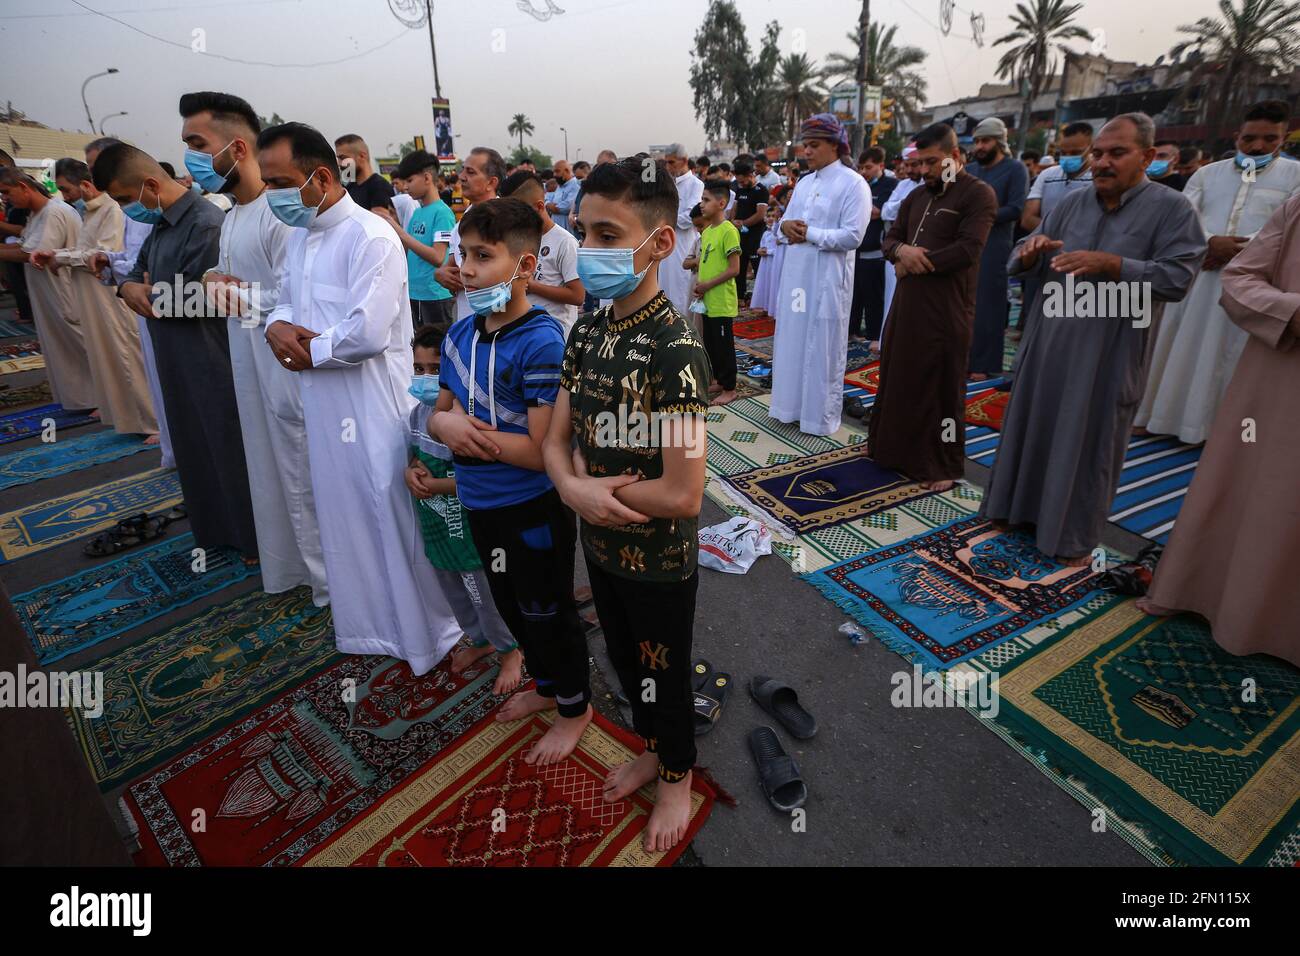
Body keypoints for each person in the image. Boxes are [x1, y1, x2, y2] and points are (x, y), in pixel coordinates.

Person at [543, 155, 710, 853]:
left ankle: (677, 777)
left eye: (608, 235)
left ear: (660, 243)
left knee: (662, 674)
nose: (591, 251)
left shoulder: (676, 350)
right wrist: (570, 484)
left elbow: (683, 491)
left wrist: (584, 490)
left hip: (657, 557)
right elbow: (555, 438)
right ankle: (651, 747)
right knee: (622, 660)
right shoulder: (588, 328)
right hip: (600, 542)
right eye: (583, 232)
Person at [259, 121, 460, 674]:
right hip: (321, 407)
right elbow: (282, 301)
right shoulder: (299, 237)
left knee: (388, 516)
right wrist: (279, 328)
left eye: (279, 181)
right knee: (343, 515)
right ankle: (368, 626)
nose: (272, 193)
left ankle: (425, 634)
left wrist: (311, 350)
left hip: (371, 410)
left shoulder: (372, 236)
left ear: (320, 176)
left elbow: (367, 333)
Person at [978, 113, 1206, 563]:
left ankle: (1068, 538)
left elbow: (1178, 279)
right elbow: (1019, 257)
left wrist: (1114, 265)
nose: (1102, 162)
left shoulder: (1173, 208)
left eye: (1116, 153)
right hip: (1050, 337)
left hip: (1111, 346)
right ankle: (1013, 510)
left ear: (1146, 155)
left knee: (1089, 438)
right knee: (1034, 423)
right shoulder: (1071, 203)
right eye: (1097, 154)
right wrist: (1031, 252)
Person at [428, 197, 590, 764]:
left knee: (548, 610)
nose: (466, 268)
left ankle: (576, 707)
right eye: (461, 254)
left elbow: (547, 451)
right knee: (512, 605)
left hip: (531, 508)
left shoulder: (542, 341)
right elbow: (439, 411)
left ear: (525, 267)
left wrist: (471, 438)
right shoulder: (459, 335)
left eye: (482, 256)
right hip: (480, 502)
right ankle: (547, 689)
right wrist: (441, 421)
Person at [1137, 192, 1300, 667]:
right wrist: (1290, 311)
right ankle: (1228, 607)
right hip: (1279, 372)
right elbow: (1240, 277)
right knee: (1261, 490)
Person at [179, 91, 329, 603]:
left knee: (301, 474)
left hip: (287, 370)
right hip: (248, 365)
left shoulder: (278, 212)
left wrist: (239, 293)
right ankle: (290, 568)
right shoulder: (235, 213)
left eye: (198, 145)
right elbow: (242, 285)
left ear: (237, 148)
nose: (191, 159)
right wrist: (221, 280)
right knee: (269, 470)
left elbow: (303, 299)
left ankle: (329, 582)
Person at [94, 142, 259, 558]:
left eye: (126, 199)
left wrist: (147, 295)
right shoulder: (163, 224)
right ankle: (216, 530)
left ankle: (250, 539)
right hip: (174, 354)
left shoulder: (204, 221)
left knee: (225, 447)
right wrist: (132, 287)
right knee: (192, 444)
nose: (127, 209)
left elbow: (200, 298)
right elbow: (135, 276)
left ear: (150, 185)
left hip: (208, 354)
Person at [1136, 101, 1300, 444]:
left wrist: (1234, 252)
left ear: (1283, 139)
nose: (1257, 147)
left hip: (1252, 285)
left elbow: (1286, 230)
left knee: (1232, 357)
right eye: (1250, 138)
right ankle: (1161, 417)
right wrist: (1209, 244)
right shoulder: (1207, 174)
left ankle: (1222, 433)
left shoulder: (1295, 177)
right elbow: (1185, 218)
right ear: (1237, 136)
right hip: (1198, 276)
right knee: (1179, 347)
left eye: (1270, 139)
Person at [868, 123, 996, 490]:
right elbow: (891, 236)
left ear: (955, 156)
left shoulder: (978, 194)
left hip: (947, 308)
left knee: (942, 390)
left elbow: (969, 248)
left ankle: (943, 466)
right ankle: (889, 450)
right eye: (918, 163)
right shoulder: (917, 196)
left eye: (931, 162)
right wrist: (900, 251)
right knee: (898, 378)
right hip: (907, 304)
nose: (923, 171)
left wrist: (917, 261)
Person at [404, 324, 523, 694]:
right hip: (437, 530)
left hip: (468, 533)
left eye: (435, 368)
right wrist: (410, 474)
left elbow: (473, 476)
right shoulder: (415, 416)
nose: (425, 377)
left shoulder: (464, 421)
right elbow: (411, 456)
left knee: (484, 594)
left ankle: (510, 650)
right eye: (418, 368)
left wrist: (435, 485)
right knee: (453, 591)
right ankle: (479, 639)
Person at [32, 159, 158, 439]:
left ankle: (152, 421)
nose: (64, 197)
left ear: (86, 185)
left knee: (127, 356)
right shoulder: (90, 212)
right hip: (93, 294)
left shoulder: (113, 210)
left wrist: (61, 256)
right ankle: (128, 416)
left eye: (66, 189)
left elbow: (107, 254)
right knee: (109, 357)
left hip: (109, 293)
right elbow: (87, 250)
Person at [770, 113, 870, 435]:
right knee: (792, 340)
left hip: (827, 280)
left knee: (822, 345)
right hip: (796, 278)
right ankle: (789, 408)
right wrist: (784, 227)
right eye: (805, 145)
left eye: (813, 145)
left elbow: (853, 236)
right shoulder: (803, 183)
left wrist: (810, 233)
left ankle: (818, 418)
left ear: (835, 145)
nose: (807, 152)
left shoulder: (853, 183)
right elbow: (783, 227)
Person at [84, 136, 175, 468]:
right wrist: (113, 264)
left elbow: (204, 292)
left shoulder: (194, 218)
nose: (94, 176)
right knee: (158, 378)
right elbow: (138, 261)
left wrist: (134, 281)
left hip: (172, 310)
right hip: (151, 305)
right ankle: (173, 448)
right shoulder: (133, 210)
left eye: (97, 167)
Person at [0, 169, 98, 411]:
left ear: (24, 187)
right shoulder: (37, 214)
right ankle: (85, 399)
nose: (5, 199)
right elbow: (25, 246)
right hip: (48, 293)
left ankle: (106, 397)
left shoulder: (54, 211)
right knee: (63, 348)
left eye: (6, 192)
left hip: (63, 290)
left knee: (82, 346)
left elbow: (32, 254)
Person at [1018, 122, 1094, 344]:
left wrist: (1051, 233)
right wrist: (1053, 237)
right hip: (1042, 259)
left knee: (1068, 328)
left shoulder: (1096, 178)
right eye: (1064, 152)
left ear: (1091, 148)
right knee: (1034, 320)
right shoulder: (1049, 175)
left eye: (1076, 153)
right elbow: (1028, 217)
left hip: (1079, 264)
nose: (1068, 157)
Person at [966, 117, 1029, 379]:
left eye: (986, 140)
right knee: (965, 302)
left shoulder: (1015, 169)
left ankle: (985, 364)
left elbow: (1016, 208)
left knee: (989, 306)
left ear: (1000, 142)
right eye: (978, 141)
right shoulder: (971, 169)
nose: (980, 146)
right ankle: (965, 358)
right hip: (969, 242)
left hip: (995, 245)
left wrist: (982, 216)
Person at [376, 149, 457, 332]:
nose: (405, 187)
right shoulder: (418, 212)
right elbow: (408, 250)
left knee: (437, 351)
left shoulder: (442, 213)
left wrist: (402, 233)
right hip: (414, 293)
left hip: (435, 295)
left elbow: (438, 257)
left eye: (410, 181)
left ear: (427, 178)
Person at [499, 169, 583, 335]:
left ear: (539, 206)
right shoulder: (514, 239)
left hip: (554, 335)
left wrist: (533, 286)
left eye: (517, 212)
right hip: (521, 333)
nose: (512, 218)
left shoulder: (564, 242)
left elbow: (577, 295)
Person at [434, 146, 505, 321]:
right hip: (467, 318)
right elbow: (451, 264)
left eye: (471, 172)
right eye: (463, 170)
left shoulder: (505, 221)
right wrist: (441, 273)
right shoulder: (463, 221)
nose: (462, 177)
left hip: (496, 318)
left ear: (491, 182)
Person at [694, 179, 741, 405]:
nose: (701, 204)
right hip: (708, 299)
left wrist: (708, 285)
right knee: (712, 343)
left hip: (721, 299)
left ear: (721, 203)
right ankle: (720, 380)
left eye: (706, 200)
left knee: (724, 346)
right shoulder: (708, 231)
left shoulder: (728, 231)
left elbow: (734, 269)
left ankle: (730, 388)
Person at [848, 147, 897, 347]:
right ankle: (851, 331)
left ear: (881, 166)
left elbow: (879, 212)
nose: (864, 172)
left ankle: (874, 335)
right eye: (861, 167)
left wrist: (864, 210)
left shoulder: (891, 185)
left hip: (875, 252)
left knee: (873, 297)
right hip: (855, 251)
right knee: (853, 295)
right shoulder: (860, 185)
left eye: (868, 167)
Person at [657, 144, 705, 316]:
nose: (668, 167)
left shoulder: (696, 185)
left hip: (684, 245)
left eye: (671, 162)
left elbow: (688, 219)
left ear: (684, 161)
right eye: (666, 163)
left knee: (681, 288)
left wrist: (664, 218)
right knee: (663, 287)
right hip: (664, 245)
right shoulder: (666, 185)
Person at [728, 159, 768, 304]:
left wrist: (743, 223)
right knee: (740, 265)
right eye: (739, 182)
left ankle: (762, 298)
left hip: (755, 234)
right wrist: (733, 221)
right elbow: (735, 207)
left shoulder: (761, 190)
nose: (742, 184)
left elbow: (761, 214)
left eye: (744, 181)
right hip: (739, 234)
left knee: (757, 267)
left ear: (751, 175)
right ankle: (740, 296)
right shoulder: (740, 189)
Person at [334, 134, 395, 213]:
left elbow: (379, 222)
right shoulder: (350, 188)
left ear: (362, 156)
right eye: (338, 159)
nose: (339, 163)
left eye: (343, 158)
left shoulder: (379, 187)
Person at [749, 204, 780, 317]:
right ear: (765, 218)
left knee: (772, 283)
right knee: (765, 283)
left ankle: (773, 308)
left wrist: (769, 252)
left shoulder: (778, 235)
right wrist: (759, 250)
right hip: (765, 264)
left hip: (773, 262)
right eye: (769, 216)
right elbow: (762, 246)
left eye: (773, 216)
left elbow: (779, 250)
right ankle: (765, 306)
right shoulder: (766, 233)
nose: (771, 218)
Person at [546, 159, 580, 235]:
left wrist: (552, 206)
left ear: (567, 171)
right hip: (556, 231)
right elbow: (546, 200)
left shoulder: (575, 186)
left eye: (557, 171)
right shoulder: (559, 186)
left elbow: (566, 207)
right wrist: (550, 205)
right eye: (554, 172)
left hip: (568, 233)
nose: (554, 175)